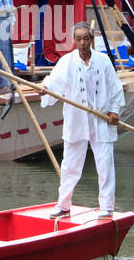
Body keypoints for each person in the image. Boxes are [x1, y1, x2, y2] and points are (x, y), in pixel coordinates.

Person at [40, 22, 124, 218]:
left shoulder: (103, 61)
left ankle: (107, 207)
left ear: (91, 39)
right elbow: (53, 82)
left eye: (86, 38)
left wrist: (114, 110)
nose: (82, 43)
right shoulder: (66, 62)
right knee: (70, 165)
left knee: (104, 164)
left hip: (100, 121)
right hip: (76, 120)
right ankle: (63, 204)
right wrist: (45, 88)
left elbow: (115, 87)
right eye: (78, 39)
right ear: (74, 40)